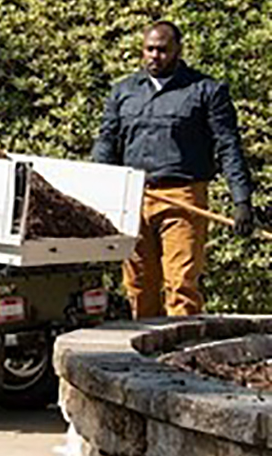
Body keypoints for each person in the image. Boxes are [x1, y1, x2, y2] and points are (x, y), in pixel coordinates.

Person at [92, 20, 254, 319]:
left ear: (179, 50)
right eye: (149, 49)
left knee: (180, 283)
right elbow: (107, 142)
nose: (155, 56)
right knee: (138, 284)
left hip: (183, 197)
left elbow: (229, 146)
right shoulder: (123, 91)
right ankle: (145, 355)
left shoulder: (206, 90)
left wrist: (241, 200)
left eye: (163, 50)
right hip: (134, 196)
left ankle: (182, 356)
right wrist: (99, 189)